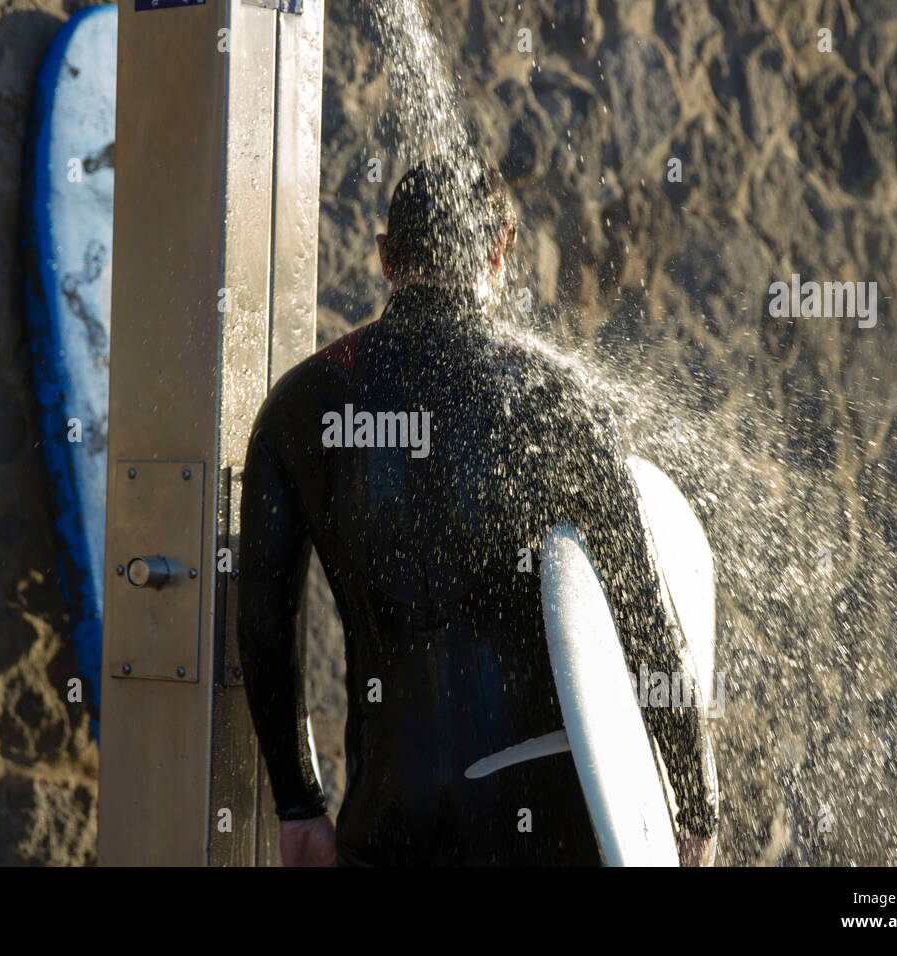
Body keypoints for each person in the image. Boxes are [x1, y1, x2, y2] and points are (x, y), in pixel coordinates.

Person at [237, 155, 719, 866]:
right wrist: (691, 798)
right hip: (541, 832)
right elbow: (643, 612)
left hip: (389, 826)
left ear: (383, 257)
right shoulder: (553, 398)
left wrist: (299, 802)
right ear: (499, 253)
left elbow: (263, 622)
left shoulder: (302, 404)